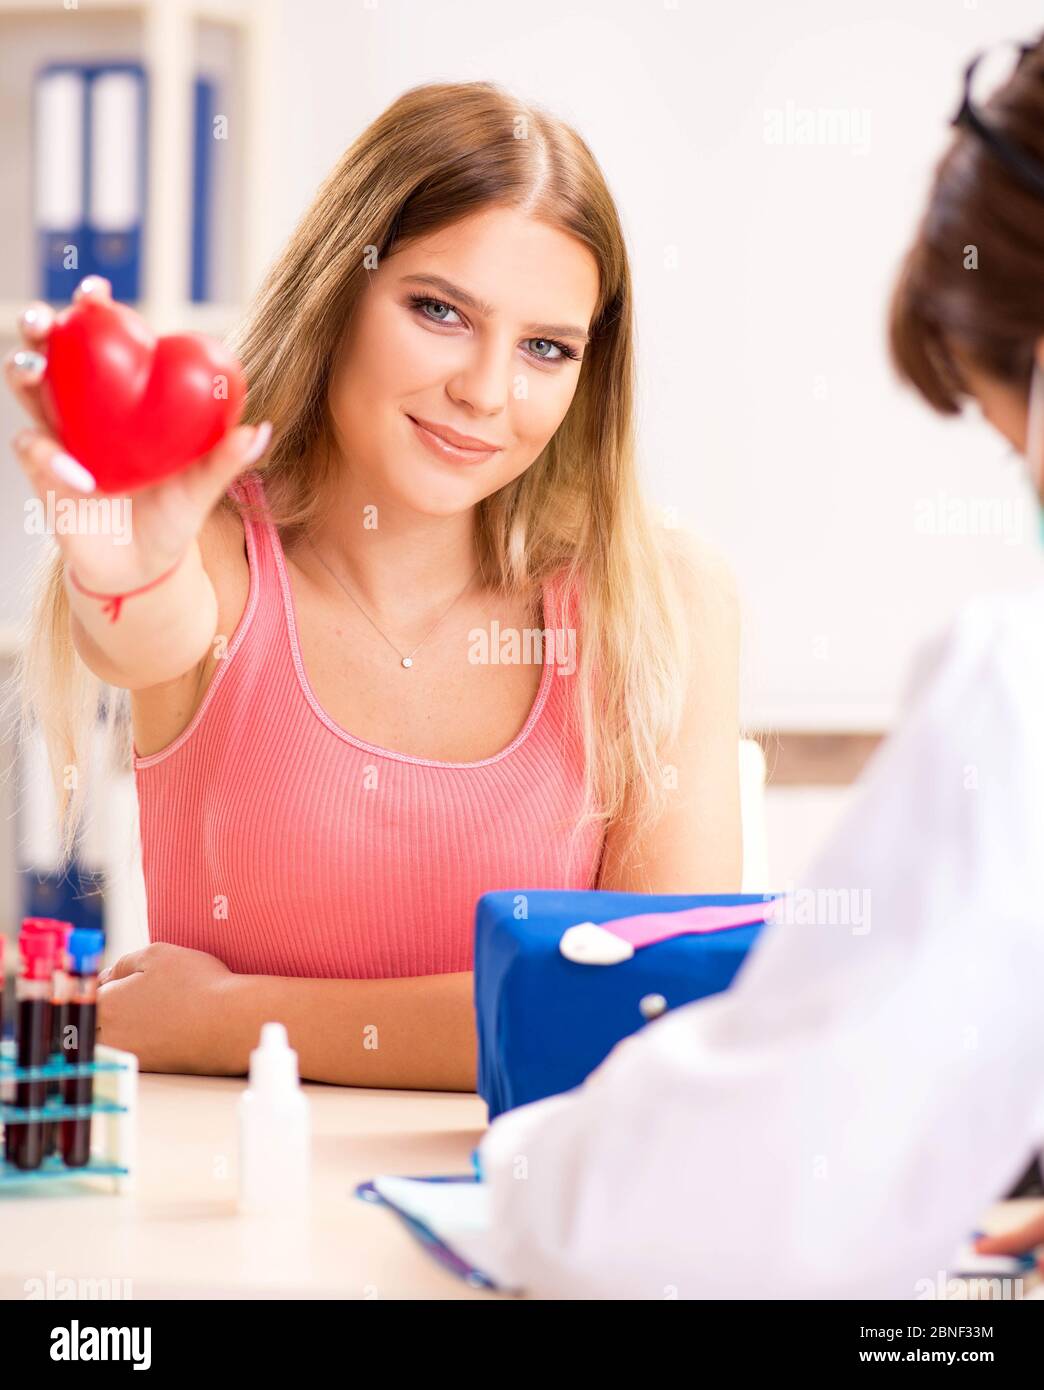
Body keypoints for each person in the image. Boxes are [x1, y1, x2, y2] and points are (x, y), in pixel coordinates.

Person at [449, 38, 1044, 1295]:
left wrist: (527, 1163)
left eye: (1019, 444)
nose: (483, 391)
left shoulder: (1014, 694)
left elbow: (699, 1200)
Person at [2, 82, 741, 1088]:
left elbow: (649, 1018)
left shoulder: (661, 602)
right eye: (440, 311)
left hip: (506, 1189)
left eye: (546, 348)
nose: (486, 391)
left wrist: (223, 1018)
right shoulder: (214, 553)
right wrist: (126, 575)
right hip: (231, 1186)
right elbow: (140, 629)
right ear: (338, 292)